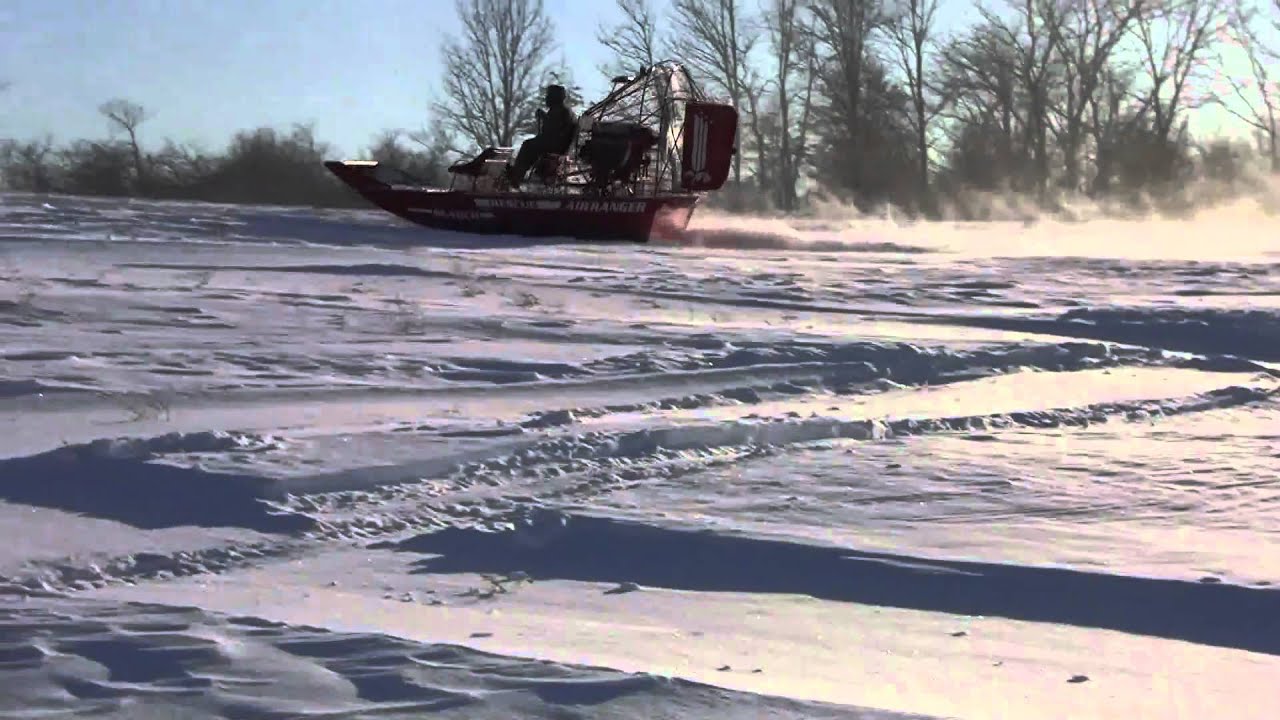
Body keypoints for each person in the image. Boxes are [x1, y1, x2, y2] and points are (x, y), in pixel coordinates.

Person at [507, 84, 576, 188]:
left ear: (554, 97)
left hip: (555, 145)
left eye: (548, 96)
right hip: (554, 144)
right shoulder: (560, 111)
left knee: (528, 146)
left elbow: (553, 130)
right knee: (530, 144)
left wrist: (543, 117)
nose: (546, 99)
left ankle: (517, 175)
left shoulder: (561, 111)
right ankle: (518, 172)